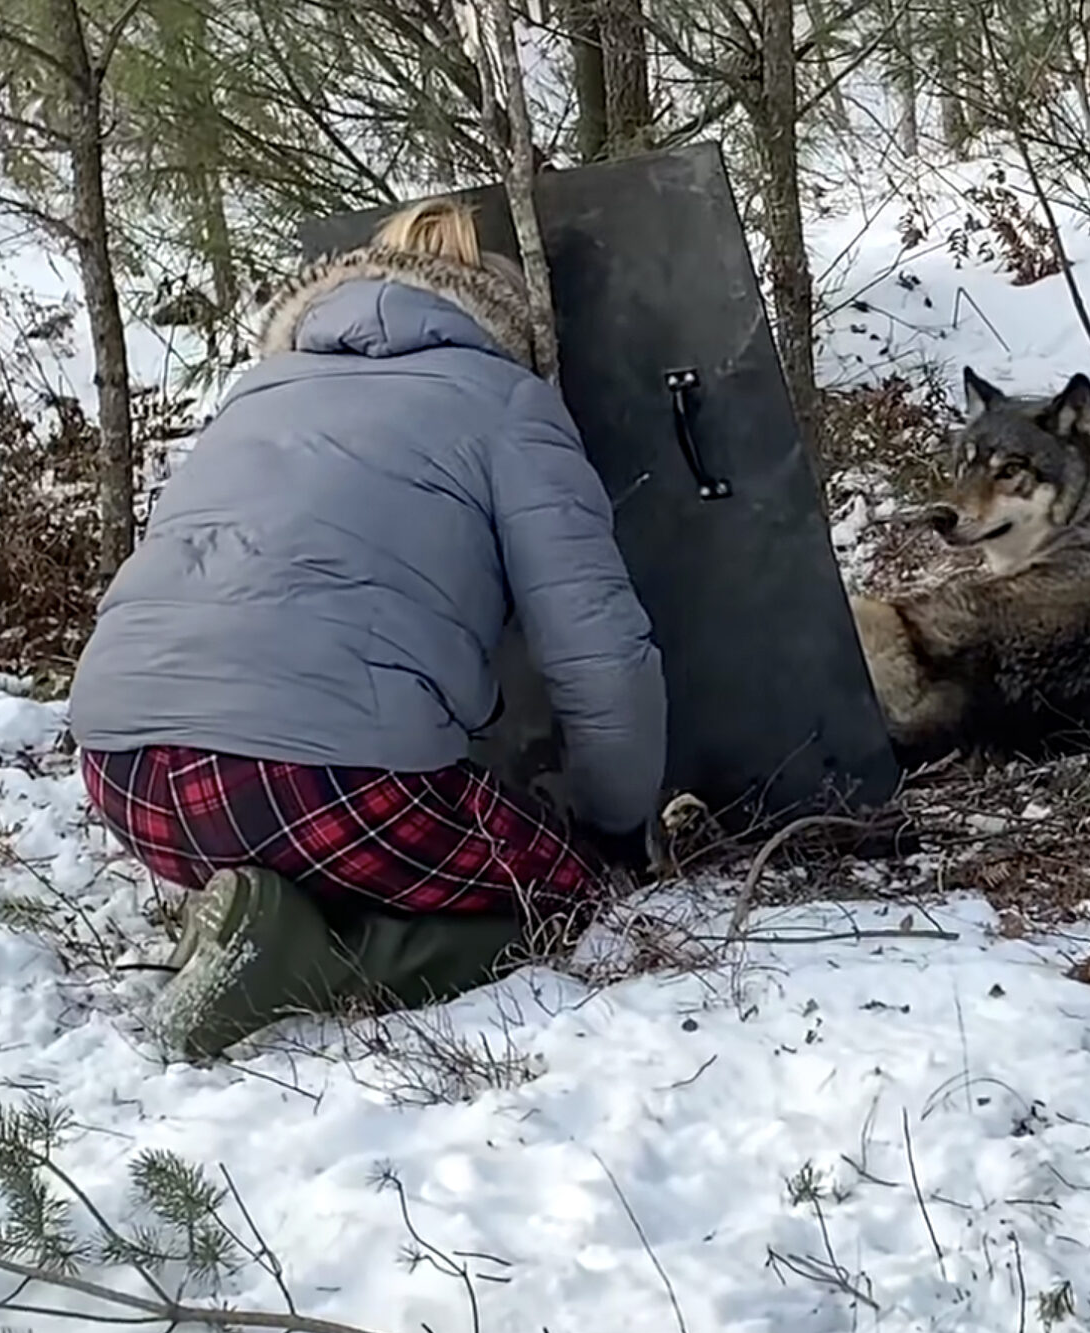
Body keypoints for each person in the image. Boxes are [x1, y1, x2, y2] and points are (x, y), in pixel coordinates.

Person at [67, 196, 668, 1060]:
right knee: (563, 894)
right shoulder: (506, 400)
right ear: (504, 315)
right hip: (326, 782)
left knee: (317, 830)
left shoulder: (255, 393)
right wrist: (618, 828)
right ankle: (315, 958)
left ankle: (251, 912)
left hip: (128, 781)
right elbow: (599, 653)